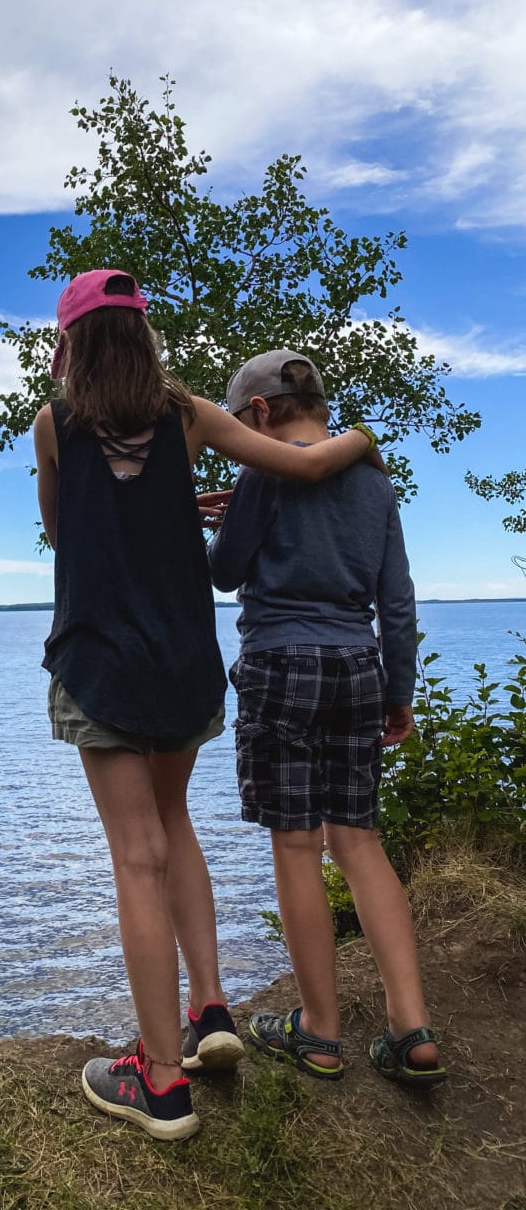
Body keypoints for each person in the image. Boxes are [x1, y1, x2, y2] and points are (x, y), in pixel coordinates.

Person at [34, 273, 383, 1142]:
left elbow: (66, 534)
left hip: (100, 663)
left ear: (71, 345)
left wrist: (150, 509)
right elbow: (307, 463)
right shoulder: (187, 415)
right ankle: (210, 1008)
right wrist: (361, 436)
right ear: (143, 337)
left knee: (136, 856)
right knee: (174, 821)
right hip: (182, 661)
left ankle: (158, 1081)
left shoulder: (54, 425)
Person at [207, 350, 445, 1087]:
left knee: (296, 846)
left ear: (261, 412)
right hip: (358, 666)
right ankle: (411, 1029)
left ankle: (318, 1029)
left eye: (239, 422)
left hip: (281, 662)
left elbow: (224, 571)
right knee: (360, 841)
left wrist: (226, 517)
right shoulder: (373, 482)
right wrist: (399, 691)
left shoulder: (263, 472)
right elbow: (397, 599)